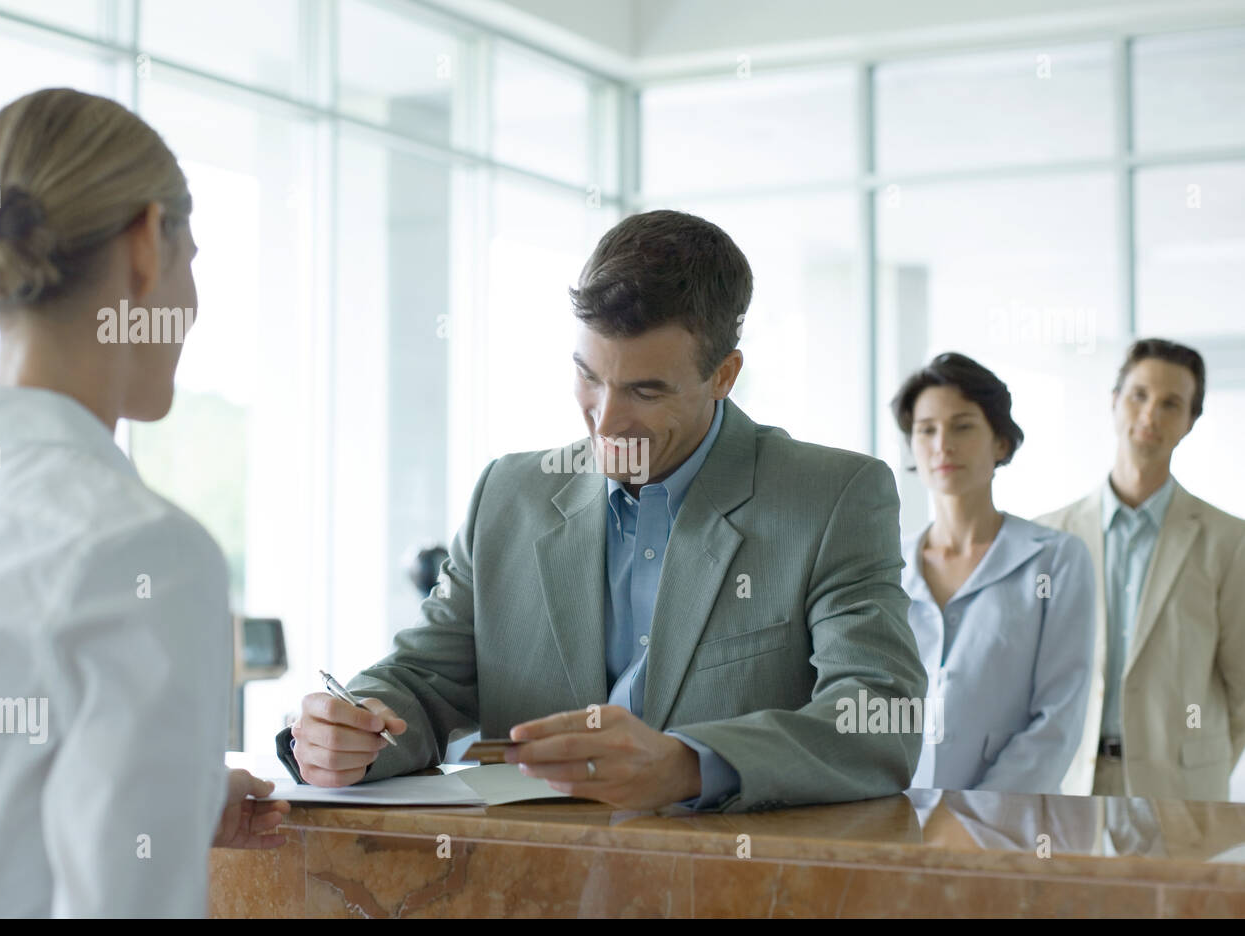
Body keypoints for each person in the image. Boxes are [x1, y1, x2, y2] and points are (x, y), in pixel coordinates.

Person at [280, 209, 928, 813]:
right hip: (523, 888)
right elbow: (425, 680)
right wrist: (353, 729)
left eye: (645, 389)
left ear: (725, 375)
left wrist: (689, 764)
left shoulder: (832, 496)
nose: (607, 420)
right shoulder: (509, 494)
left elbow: (879, 714)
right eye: (589, 376)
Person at [0, 88, 287, 918]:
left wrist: (181, 795)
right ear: (144, 244)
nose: (195, 307)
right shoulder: (145, 553)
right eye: (191, 256)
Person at [1037, 338, 1245, 800]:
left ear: (1190, 422)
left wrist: (1204, 764)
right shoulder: (1048, 538)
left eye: (1171, 403)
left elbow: (1241, 689)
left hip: (1183, 791)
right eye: (1139, 395)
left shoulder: (1230, 541)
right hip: (1072, 784)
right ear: (1114, 403)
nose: (1151, 414)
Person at [892, 353, 1093, 794]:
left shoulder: (1056, 559)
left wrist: (976, 816)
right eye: (926, 429)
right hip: (892, 816)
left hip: (1007, 823)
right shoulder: (886, 565)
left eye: (962, 426)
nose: (942, 443)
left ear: (1000, 443)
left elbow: (1059, 715)